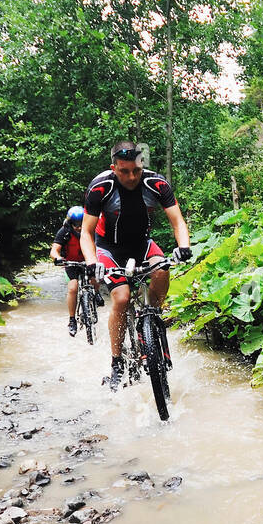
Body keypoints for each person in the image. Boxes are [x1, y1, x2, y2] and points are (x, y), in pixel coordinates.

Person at [79, 140, 191, 388]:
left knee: (162, 269)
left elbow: (178, 221)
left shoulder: (157, 183)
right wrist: (91, 262)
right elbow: (86, 232)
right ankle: (117, 362)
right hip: (109, 248)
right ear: (113, 167)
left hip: (142, 244)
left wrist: (183, 247)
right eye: (124, 171)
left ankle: (153, 319)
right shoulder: (100, 188)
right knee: (121, 298)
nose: (131, 177)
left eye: (136, 171)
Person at [49, 206, 103, 337]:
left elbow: (100, 246)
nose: (78, 227)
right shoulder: (64, 232)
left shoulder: (92, 229)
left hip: (88, 261)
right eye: (75, 225)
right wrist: (58, 258)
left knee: (95, 278)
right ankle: (72, 320)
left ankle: (96, 293)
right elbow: (54, 249)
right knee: (73, 288)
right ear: (70, 223)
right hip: (71, 263)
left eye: (81, 224)